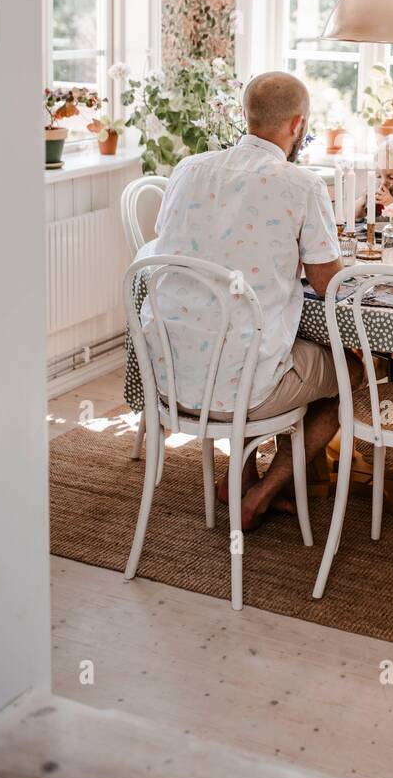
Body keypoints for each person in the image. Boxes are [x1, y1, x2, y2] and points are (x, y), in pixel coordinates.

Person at [142, 71, 360, 530]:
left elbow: (177, 246)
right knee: (352, 374)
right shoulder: (302, 185)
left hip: (171, 378)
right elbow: (328, 286)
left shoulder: (188, 169)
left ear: (246, 116)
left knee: (238, 343)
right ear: (298, 124)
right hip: (242, 390)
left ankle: (237, 479)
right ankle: (262, 492)